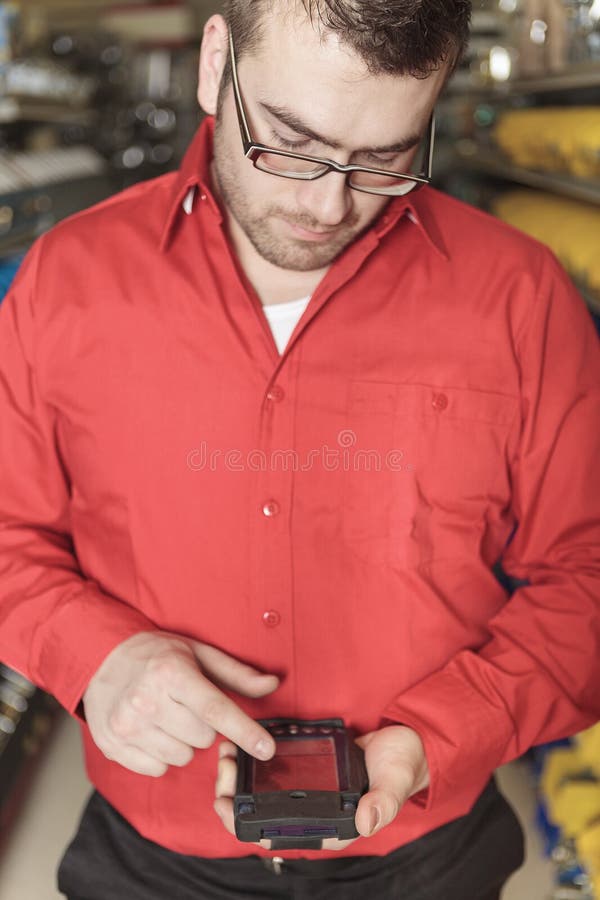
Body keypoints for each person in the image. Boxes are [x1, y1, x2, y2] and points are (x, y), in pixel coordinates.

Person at [0, 0, 598, 898]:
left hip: (427, 855)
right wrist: (93, 656)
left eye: (385, 157)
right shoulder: (66, 280)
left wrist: (443, 732)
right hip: (151, 856)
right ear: (216, 65)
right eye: (289, 142)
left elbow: (586, 574)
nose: (328, 204)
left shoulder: (521, 297)